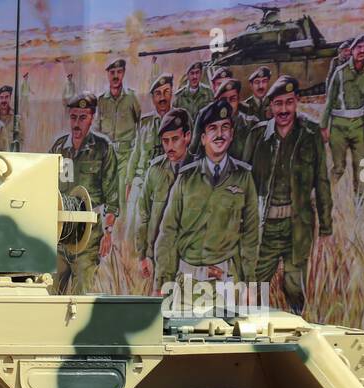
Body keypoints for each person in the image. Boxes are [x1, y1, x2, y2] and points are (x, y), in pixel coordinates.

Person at [154, 99, 259, 303]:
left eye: (225, 127)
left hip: (226, 283)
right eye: (213, 128)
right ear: (203, 138)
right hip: (188, 282)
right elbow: (168, 231)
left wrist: (250, 284)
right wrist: (161, 283)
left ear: (231, 134)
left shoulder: (243, 177)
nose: (219, 134)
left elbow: (251, 235)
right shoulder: (186, 178)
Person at [246, 75, 332, 314]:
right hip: (265, 227)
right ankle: (255, 326)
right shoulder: (258, 136)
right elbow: (245, 184)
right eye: (278, 104)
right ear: (271, 106)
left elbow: (322, 181)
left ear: (296, 102)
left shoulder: (310, 134)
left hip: (298, 226)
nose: (283, 110)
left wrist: (326, 228)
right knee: (255, 285)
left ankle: (297, 324)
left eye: (288, 102)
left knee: (294, 285)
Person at [50, 91, 119, 294]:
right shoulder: (59, 148)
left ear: (92, 118)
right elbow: (46, 185)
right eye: (73, 117)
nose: (76, 123)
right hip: (60, 234)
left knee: (81, 296)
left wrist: (108, 232)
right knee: (51, 293)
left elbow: (112, 196)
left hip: (88, 236)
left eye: (82, 117)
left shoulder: (103, 148)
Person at [135, 107, 191, 286]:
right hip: (159, 257)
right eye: (165, 141)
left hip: (189, 259)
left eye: (175, 139)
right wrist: (142, 256)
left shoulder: (198, 170)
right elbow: (143, 214)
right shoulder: (155, 170)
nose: (170, 146)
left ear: (187, 137)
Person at [324, 34, 364, 199]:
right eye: (359, 47)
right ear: (352, 49)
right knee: (338, 168)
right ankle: (322, 195)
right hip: (339, 124)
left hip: (361, 124)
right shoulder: (340, 71)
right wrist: (323, 126)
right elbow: (329, 100)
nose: (362, 50)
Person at [96, 58, 141, 202]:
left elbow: (140, 123)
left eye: (119, 72)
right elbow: (96, 129)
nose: (116, 76)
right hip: (107, 155)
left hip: (125, 156)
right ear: (108, 74)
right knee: (106, 192)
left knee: (122, 194)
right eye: (112, 72)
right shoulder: (101, 101)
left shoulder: (131, 98)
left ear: (124, 73)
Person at [128, 73, 174, 202]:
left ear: (172, 93)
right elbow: (136, 154)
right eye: (158, 94)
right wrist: (129, 183)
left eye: (166, 92)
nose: (162, 98)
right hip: (142, 180)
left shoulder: (180, 119)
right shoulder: (144, 123)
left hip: (169, 181)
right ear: (153, 98)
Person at [0, 84, 24, 151]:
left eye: (6, 97)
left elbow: (22, 139)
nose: (4, 100)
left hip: (12, 154)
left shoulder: (17, 117)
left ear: (10, 98)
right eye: (1, 97)